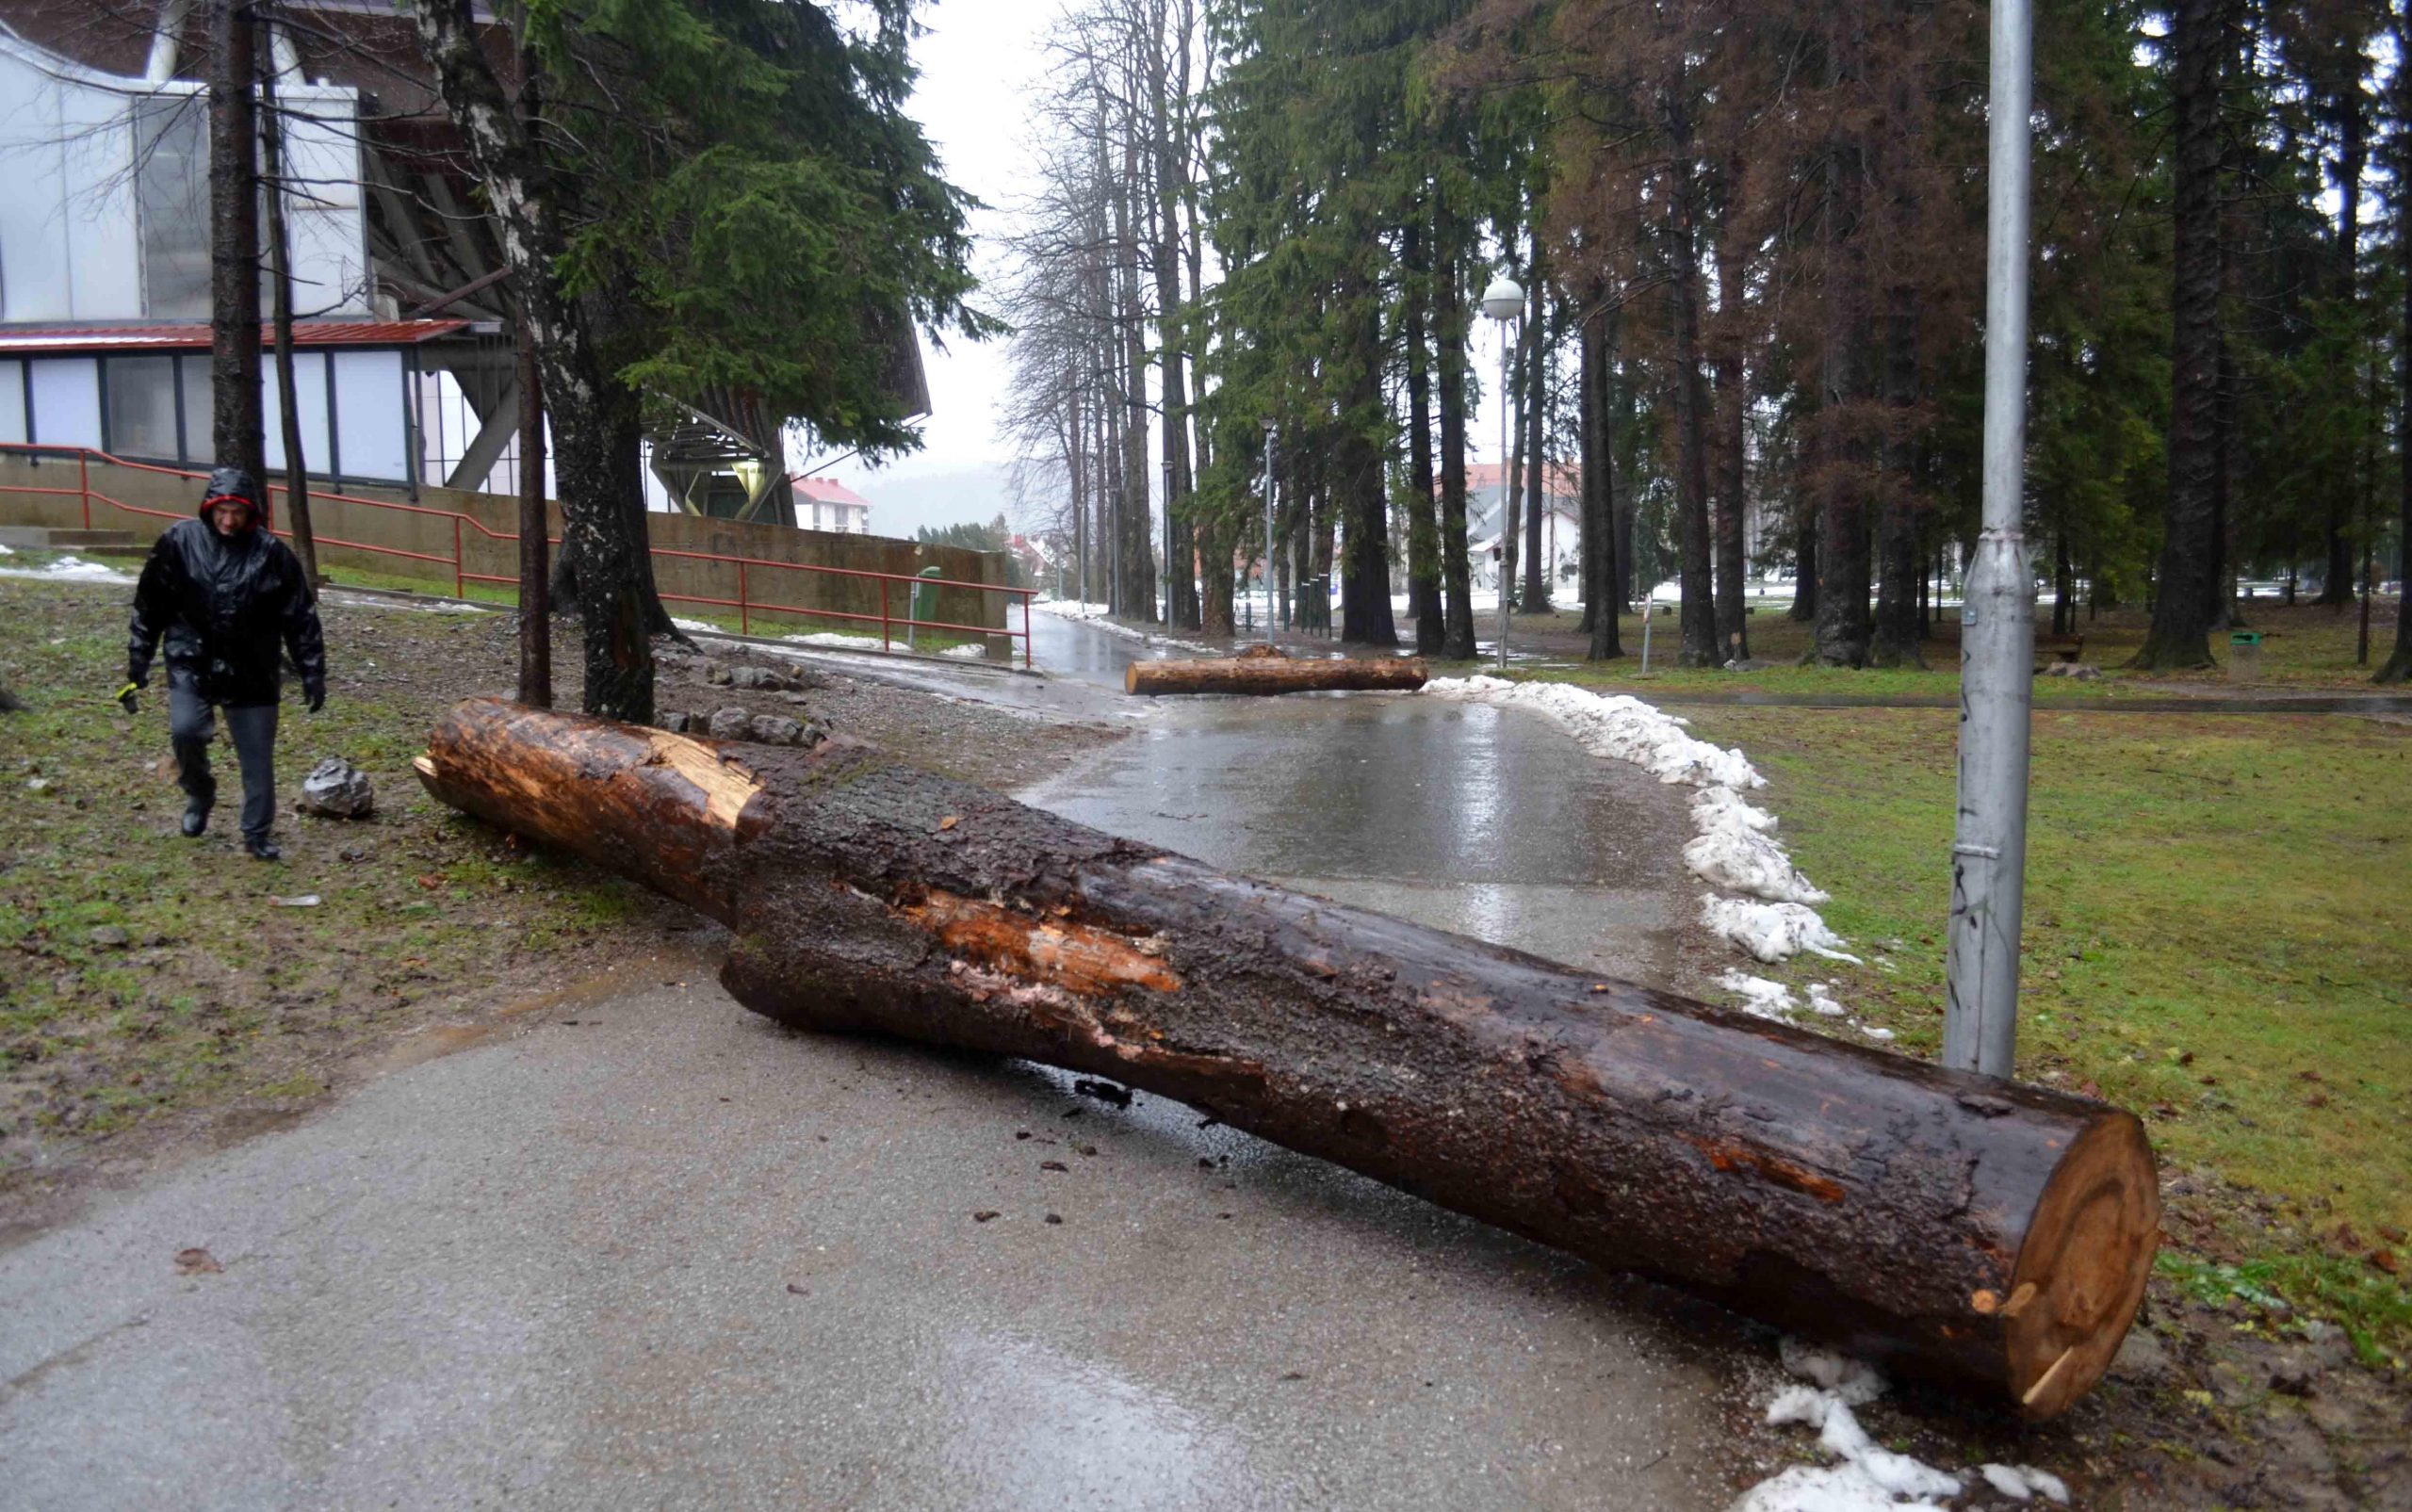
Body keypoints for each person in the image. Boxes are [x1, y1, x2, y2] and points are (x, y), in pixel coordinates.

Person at [120, 466, 326, 861]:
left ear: (252, 513)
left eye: (237, 512)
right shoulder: (179, 542)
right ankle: (199, 794)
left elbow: (300, 617)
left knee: (257, 757)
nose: (228, 521)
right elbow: (150, 607)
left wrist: (312, 672)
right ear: (209, 508)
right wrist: (138, 663)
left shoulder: (271, 554)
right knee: (186, 732)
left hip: (253, 668)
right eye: (221, 511)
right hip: (190, 659)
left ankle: (256, 832)